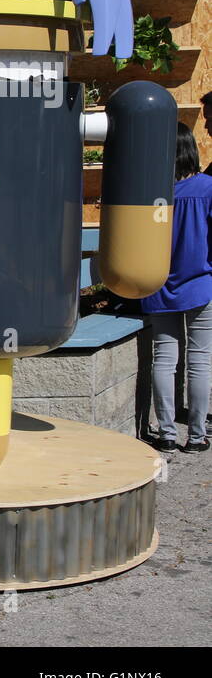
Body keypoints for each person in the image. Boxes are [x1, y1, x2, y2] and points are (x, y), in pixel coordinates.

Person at [141, 122, 212, 454]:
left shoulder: (148, 192)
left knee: (164, 359)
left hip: (157, 286)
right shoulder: (207, 188)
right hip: (201, 285)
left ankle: (167, 434)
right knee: (200, 361)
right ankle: (196, 437)